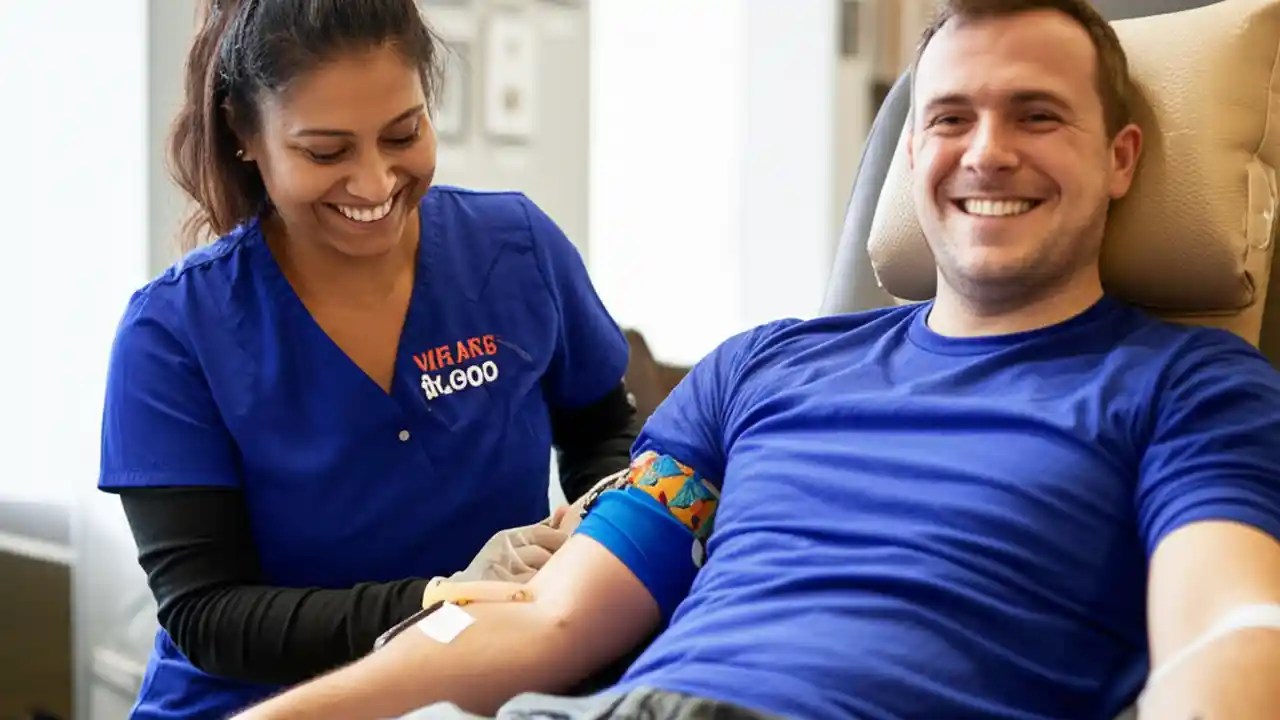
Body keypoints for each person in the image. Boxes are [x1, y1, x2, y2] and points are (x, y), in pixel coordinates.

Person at [231, 1, 1280, 719]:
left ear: (1118, 159)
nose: (985, 150)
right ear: (910, 154)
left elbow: (1224, 633)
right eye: (949, 117)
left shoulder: (1186, 389)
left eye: (1036, 115)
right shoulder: (761, 373)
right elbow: (550, 619)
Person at [96, 1, 638, 718]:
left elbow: (603, 431)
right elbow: (208, 615)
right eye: (327, 152)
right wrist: (432, 604)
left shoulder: (515, 249)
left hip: (484, 694)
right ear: (244, 135)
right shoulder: (172, 334)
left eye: (403, 133)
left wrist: (598, 533)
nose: (377, 183)